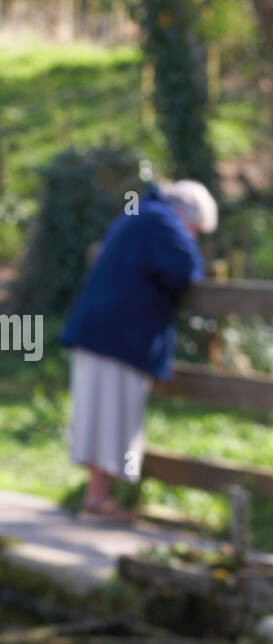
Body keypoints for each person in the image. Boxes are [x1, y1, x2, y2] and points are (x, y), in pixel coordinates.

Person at [60, 179, 218, 521]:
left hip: (100, 331)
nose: (193, 236)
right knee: (112, 415)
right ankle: (98, 500)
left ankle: (96, 497)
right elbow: (186, 269)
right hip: (118, 337)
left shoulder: (140, 214)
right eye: (194, 230)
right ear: (184, 214)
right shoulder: (160, 221)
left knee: (99, 414)